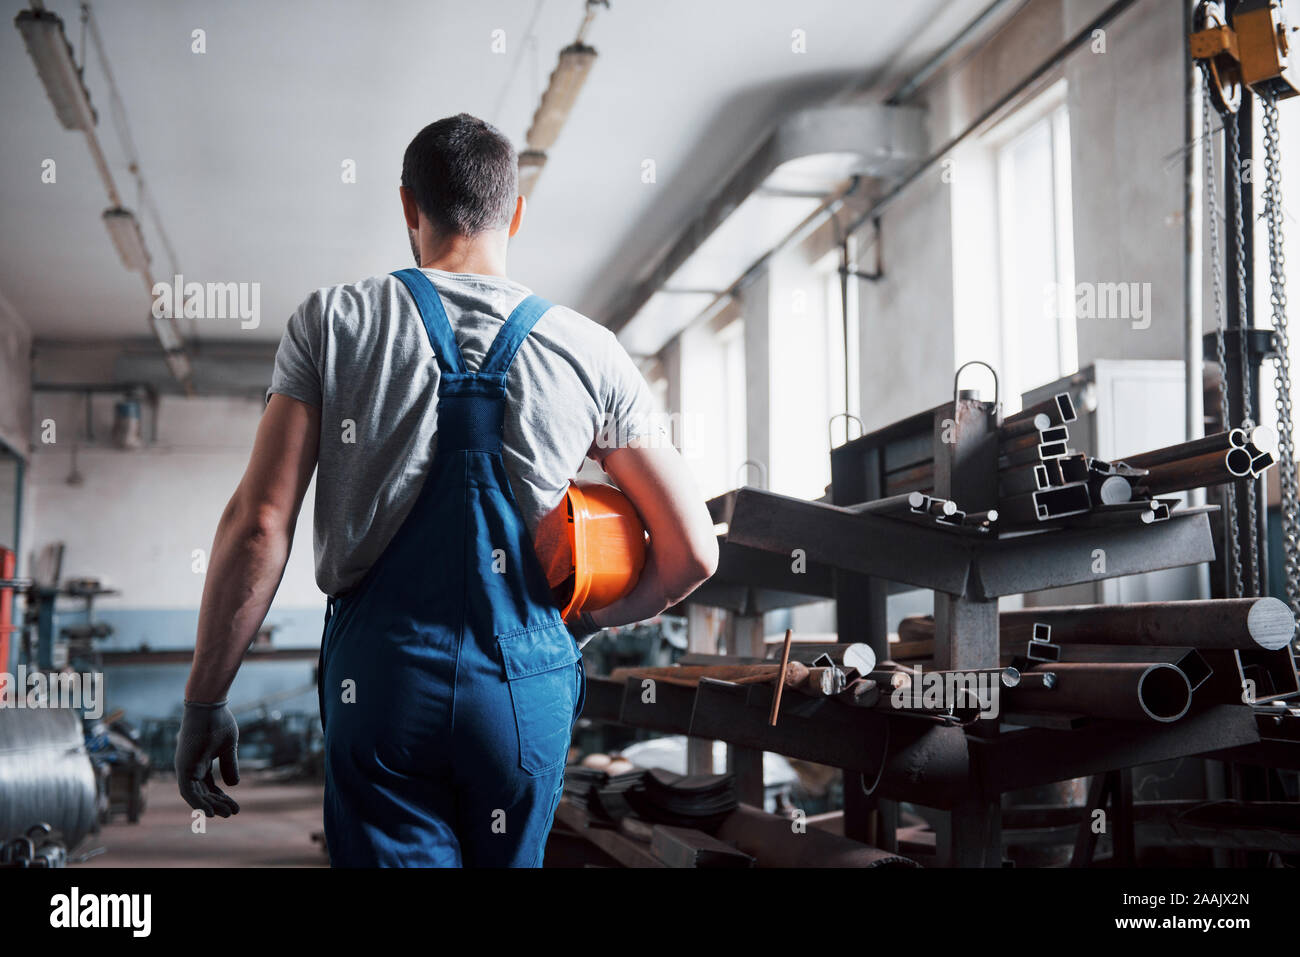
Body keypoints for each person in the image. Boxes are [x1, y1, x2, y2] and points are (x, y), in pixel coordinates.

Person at [174, 113, 718, 866]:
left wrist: (205, 698)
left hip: (382, 681)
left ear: (409, 206)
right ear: (515, 213)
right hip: (524, 683)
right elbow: (693, 554)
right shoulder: (591, 349)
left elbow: (260, 524)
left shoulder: (333, 322)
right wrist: (576, 627)